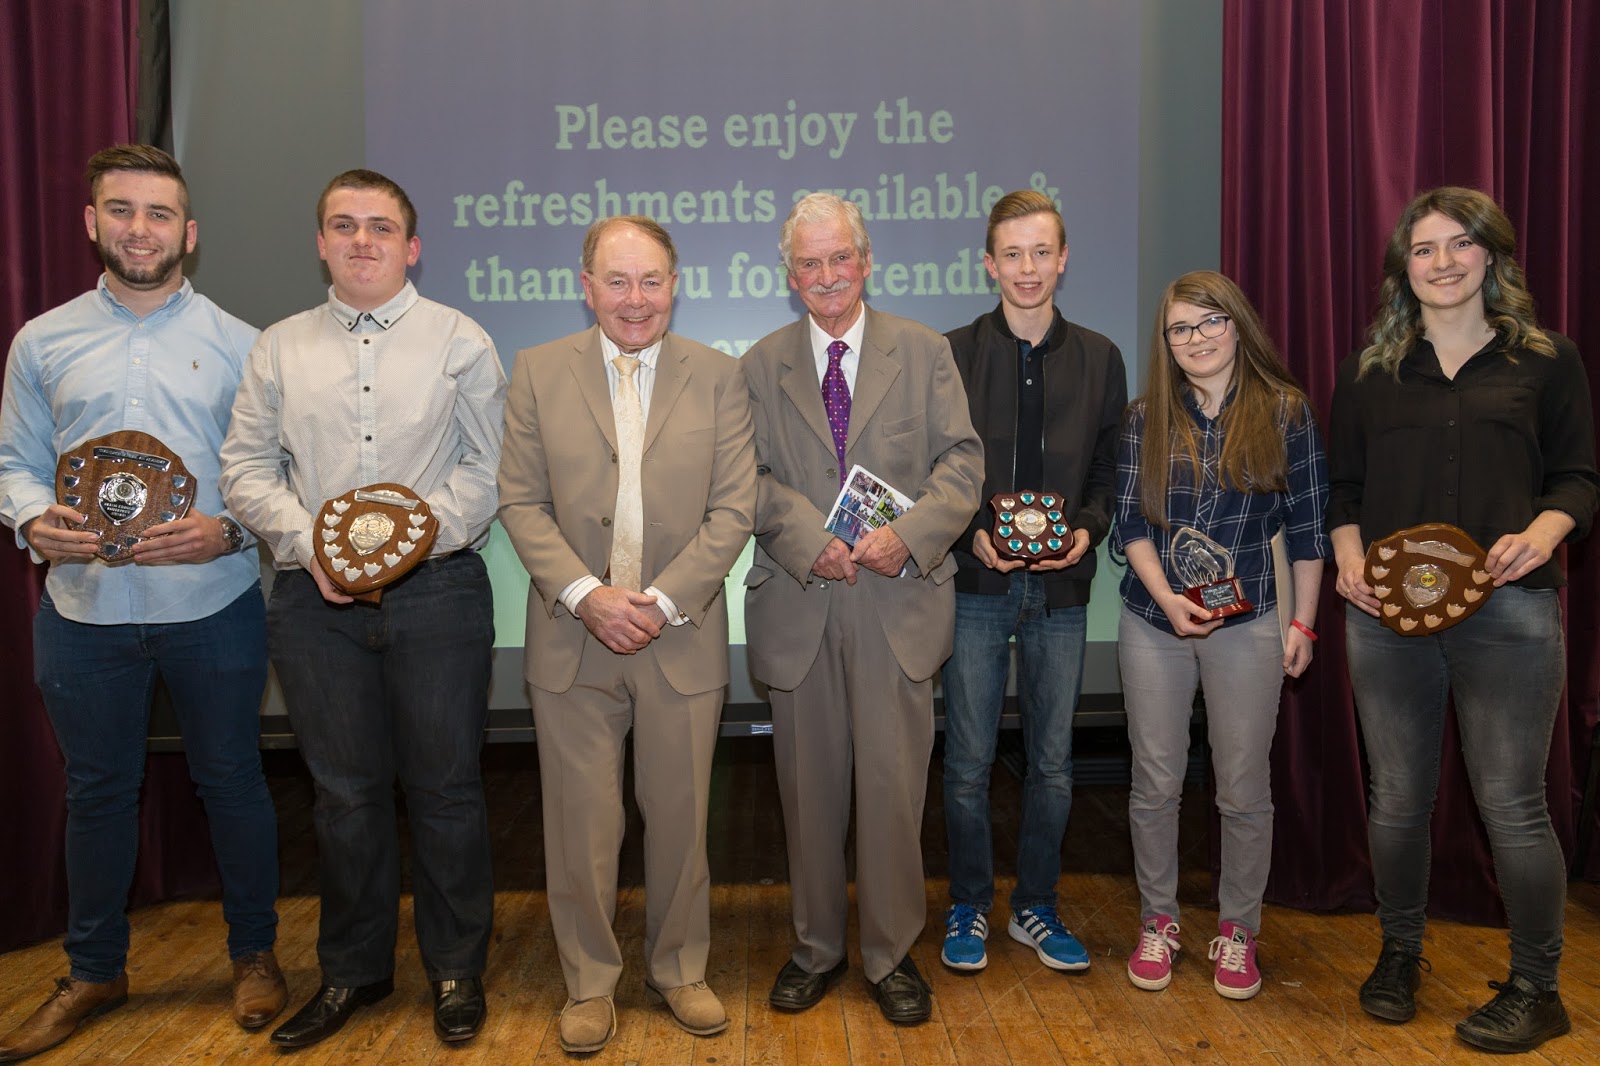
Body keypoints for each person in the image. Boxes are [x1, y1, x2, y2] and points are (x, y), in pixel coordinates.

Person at [0, 144, 284, 1061]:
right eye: (121, 211)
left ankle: (255, 957)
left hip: (213, 604)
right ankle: (94, 971)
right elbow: (13, 461)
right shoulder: (40, 340)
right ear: (92, 223)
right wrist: (29, 518)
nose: (140, 229)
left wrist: (230, 532)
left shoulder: (244, 345)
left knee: (234, 782)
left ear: (188, 233)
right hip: (83, 611)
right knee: (96, 794)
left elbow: (270, 477)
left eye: (159, 214)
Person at [218, 169, 506, 1049]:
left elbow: (484, 475)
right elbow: (245, 472)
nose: (362, 241)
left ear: (412, 247)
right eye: (343, 226)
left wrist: (400, 548)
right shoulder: (278, 347)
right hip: (316, 601)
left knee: (447, 791)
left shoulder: (461, 339)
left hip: (440, 592)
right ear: (320, 243)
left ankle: (456, 970)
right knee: (344, 798)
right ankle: (353, 973)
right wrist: (319, 551)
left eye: (381, 227)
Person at [1329, 187, 1598, 1054]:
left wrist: (1548, 529)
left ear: (1492, 255)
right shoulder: (1370, 371)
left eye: (1458, 245)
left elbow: (1579, 478)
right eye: (1422, 250)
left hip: (1511, 615)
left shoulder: (1548, 361)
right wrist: (1343, 560)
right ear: (1401, 270)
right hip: (1385, 619)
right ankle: (1399, 954)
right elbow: (1343, 490)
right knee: (1398, 799)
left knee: (1514, 805)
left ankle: (1537, 986)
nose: (1441, 263)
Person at [496, 216, 755, 1054]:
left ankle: (681, 969)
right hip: (572, 637)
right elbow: (520, 503)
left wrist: (661, 600)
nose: (635, 299)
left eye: (651, 281)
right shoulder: (537, 373)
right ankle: (589, 983)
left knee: (681, 819)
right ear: (586, 285)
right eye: (617, 280)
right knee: (581, 825)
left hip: (680, 636)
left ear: (675, 286)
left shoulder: (719, 377)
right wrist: (586, 596)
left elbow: (734, 508)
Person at [742, 193, 983, 1025]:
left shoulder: (924, 352)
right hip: (802, 596)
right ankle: (815, 949)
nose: (826, 276)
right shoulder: (759, 362)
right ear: (789, 275)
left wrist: (910, 534)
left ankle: (889, 954)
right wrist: (805, 535)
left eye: (839, 258)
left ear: (866, 259)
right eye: (808, 263)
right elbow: (747, 479)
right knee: (805, 795)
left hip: (895, 598)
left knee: (889, 793)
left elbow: (961, 463)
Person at [1113, 270, 1327, 1001]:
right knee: (1155, 782)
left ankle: (1238, 930)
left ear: (1238, 326)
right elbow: (1131, 526)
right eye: (1181, 328)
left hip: (1253, 623)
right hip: (1154, 623)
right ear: (1166, 343)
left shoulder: (1286, 412)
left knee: (1242, 786)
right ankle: (1159, 920)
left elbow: (1309, 528)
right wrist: (1169, 600)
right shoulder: (1145, 418)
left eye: (1210, 323)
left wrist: (1305, 620)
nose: (1197, 339)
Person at [939, 190, 1127, 974]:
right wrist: (967, 533)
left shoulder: (1100, 356)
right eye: (1011, 254)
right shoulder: (949, 352)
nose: (1027, 268)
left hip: (1061, 590)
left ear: (1063, 258)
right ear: (988, 264)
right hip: (975, 590)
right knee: (968, 761)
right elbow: (936, 469)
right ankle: (970, 905)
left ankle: (1037, 908)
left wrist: (1087, 530)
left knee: (1053, 762)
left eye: (1040, 252)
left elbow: (1112, 469)